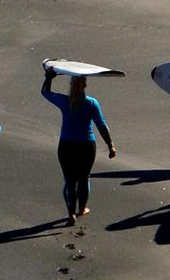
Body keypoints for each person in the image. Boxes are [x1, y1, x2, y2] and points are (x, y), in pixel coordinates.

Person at [42, 67, 115, 225]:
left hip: (67, 146)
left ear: (71, 84)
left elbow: (45, 92)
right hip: (86, 147)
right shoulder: (92, 103)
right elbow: (102, 126)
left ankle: (71, 214)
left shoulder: (64, 101)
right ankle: (81, 209)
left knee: (69, 181)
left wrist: (49, 77)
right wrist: (111, 146)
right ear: (85, 84)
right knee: (83, 179)